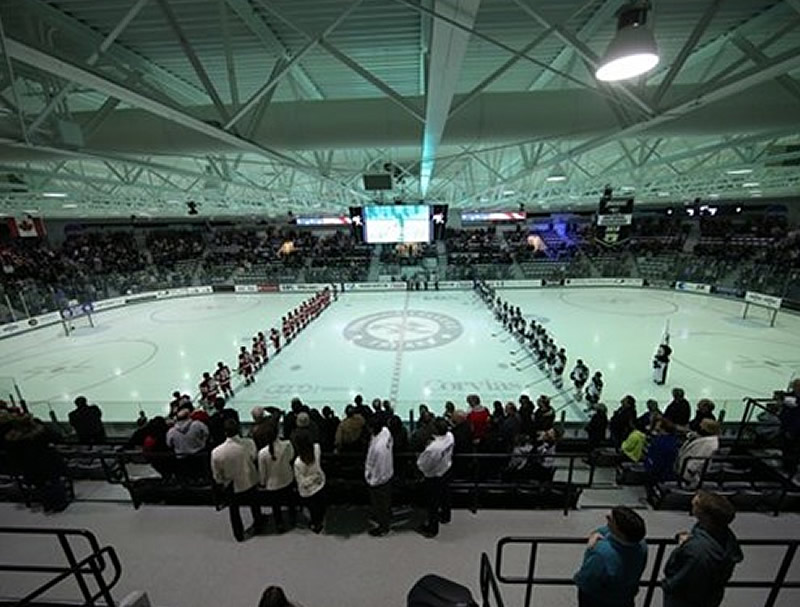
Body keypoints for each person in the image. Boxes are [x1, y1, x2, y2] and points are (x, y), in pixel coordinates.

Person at [662, 491, 743, 607]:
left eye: (696, 503)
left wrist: (667, 585)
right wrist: (691, 541)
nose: (693, 501)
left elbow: (682, 579)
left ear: (705, 516)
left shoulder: (698, 552)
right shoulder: (724, 534)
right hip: (710, 598)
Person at [573, 506, 648, 607]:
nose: (607, 517)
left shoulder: (602, 554)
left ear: (619, 530)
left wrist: (590, 549)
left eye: (611, 519)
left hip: (598, 601)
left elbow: (585, 581)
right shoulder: (641, 545)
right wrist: (596, 533)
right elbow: (605, 530)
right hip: (625, 599)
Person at [211, 419, 266, 541]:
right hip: (249, 479)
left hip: (232, 484)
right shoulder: (249, 443)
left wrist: (223, 482)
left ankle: (239, 534)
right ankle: (259, 524)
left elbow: (217, 475)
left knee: (234, 510)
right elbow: (254, 457)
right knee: (254, 504)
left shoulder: (216, 452)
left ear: (225, 432)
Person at [416, 418, 454, 538]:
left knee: (432, 503)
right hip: (446, 470)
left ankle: (432, 529)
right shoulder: (450, 436)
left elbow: (423, 465)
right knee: (445, 495)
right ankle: (446, 516)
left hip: (434, 476)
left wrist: (420, 458)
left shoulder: (433, 448)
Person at [257, 419, 296, 533]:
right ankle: (293, 517)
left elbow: (262, 472)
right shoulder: (287, 444)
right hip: (287, 478)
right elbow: (291, 457)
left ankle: (279, 524)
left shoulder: (262, 453)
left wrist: (263, 483)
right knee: (290, 501)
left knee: (276, 506)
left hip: (272, 485)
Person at [364, 415, 394, 536]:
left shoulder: (378, 448)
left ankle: (383, 528)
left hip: (380, 479)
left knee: (381, 503)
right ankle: (385, 516)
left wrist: (372, 480)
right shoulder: (386, 432)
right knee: (385, 501)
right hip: (388, 472)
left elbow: (378, 468)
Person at [293, 430, 326, 533]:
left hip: (309, 491)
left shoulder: (298, 463)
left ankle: (316, 524)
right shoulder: (316, 449)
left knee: (313, 508)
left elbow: (302, 482)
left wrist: (312, 479)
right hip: (320, 483)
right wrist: (315, 477)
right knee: (318, 505)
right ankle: (319, 520)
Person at [676, 419, 720, 488]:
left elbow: (699, 461)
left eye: (701, 426)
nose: (699, 427)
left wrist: (689, 470)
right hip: (682, 470)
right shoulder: (701, 437)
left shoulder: (709, 444)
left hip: (689, 477)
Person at [644, 418, 680, 483]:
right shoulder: (675, 441)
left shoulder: (658, 442)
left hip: (658, 474)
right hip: (671, 472)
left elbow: (652, 463)